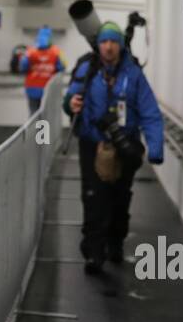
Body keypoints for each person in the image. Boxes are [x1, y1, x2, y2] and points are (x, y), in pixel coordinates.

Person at [63, 20, 164, 271]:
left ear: (120, 46)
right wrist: (70, 104)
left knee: (120, 198)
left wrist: (155, 147)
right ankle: (93, 253)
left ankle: (115, 242)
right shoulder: (88, 69)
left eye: (113, 42)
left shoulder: (133, 75)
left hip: (124, 146)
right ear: (98, 45)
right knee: (94, 198)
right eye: (104, 42)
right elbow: (71, 96)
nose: (108, 47)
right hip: (93, 144)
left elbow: (150, 112)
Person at [20, 25, 66, 114]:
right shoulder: (56, 51)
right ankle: (44, 128)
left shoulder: (30, 51)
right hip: (49, 88)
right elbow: (62, 67)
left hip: (32, 87)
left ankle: (36, 128)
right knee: (47, 114)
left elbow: (23, 67)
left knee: (34, 114)